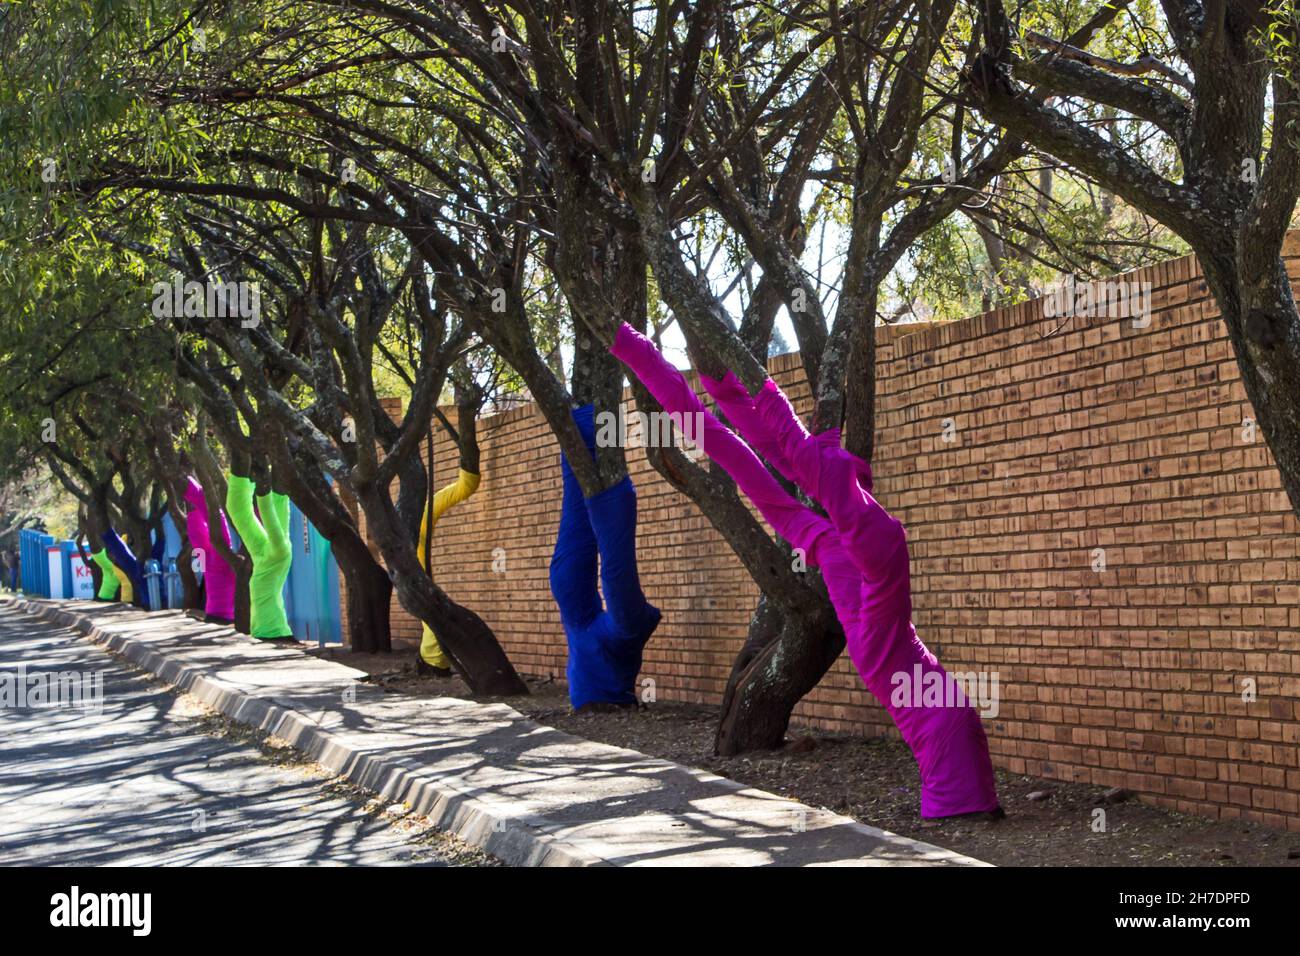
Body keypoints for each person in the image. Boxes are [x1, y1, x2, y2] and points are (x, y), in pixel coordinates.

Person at [610, 322, 1001, 819]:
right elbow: (767, 454)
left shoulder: (823, 537)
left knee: (746, 456)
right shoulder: (837, 539)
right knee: (762, 460)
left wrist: (735, 389)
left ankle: (659, 359)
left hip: (886, 645)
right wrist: (740, 390)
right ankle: (672, 364)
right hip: (888, 640)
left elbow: (751, 453)